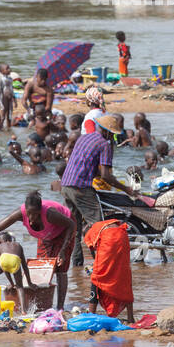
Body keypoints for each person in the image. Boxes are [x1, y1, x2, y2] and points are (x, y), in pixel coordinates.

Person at [0, 192, 75, 310]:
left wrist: (63, 250)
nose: (31, 218)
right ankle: (40, 306)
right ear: (25, 211)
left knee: (60, 268)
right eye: (29, 214)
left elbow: (71, 225)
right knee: (41, 268)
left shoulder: (49, 214)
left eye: (35, 214)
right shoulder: (20, 213)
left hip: (65, 230)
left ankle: (60, 307)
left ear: (40, 211)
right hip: (46, 235)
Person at [60, 112, 136, 265]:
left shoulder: (84, 137)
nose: (113, 138)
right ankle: (102, 263)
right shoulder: (104, 144)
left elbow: (89, 166)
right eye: (113, 134)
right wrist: (126, 189)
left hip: (66, 184)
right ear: (107, 131)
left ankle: (77, 264)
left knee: (74, 228)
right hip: (81, 187)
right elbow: (106, 176)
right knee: (99, 226)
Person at [84, 218, 135, 323]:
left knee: (97, 277)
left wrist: (95, 269)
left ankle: (91, 315)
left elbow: (94, 252)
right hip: (123, 236)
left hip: (109, 238)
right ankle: (131, 318)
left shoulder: (91, 232)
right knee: (124, 275)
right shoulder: (105, 224)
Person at [0, 232, 32, 310]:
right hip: (15, 260)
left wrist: (11, 284)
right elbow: (25, 266)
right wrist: (29, 283)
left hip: (4, 260)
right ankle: (23, 311)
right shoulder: (18, 245)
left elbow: (5, 268)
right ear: (10, 240)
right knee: (20, 287)